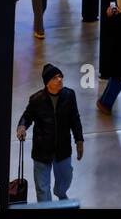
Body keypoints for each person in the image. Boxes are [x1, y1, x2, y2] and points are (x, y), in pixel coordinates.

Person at [16, 63, 84, 203]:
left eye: (60, 76)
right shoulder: (36, 100)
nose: (59, 79)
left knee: (66, 178)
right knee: (42, 188)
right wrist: (21, 126)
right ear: (47, 83)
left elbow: (75, 120)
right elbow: (27, 117)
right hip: (42, 151)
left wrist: (79, 140)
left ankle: (60, 192)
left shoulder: (69, 96)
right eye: (54, 78)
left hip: (62, 149)